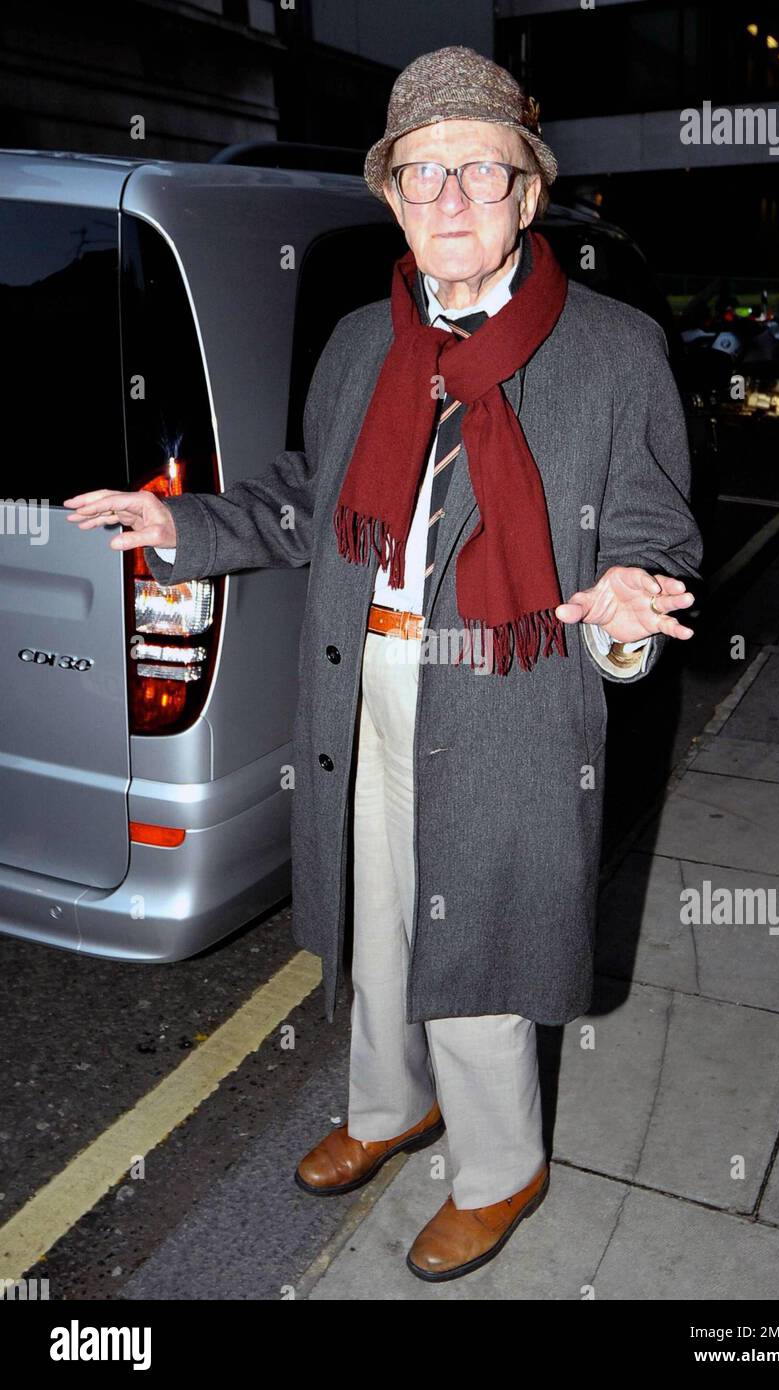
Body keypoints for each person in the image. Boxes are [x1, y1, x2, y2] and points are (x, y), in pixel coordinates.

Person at [64, 45, 702, 1284]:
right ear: (392, 198)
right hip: (365, 688)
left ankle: (500, 1165)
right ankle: (386, 1108)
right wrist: (182, 527)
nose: (450, 200)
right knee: (376, 923)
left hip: (513, 695)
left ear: (529, 192)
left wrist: (629, 604)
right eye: (421, 175)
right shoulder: (365, 341)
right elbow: (311, 500)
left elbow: (652, 537)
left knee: (482, 954)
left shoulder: (616, 352)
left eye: (480, 171)